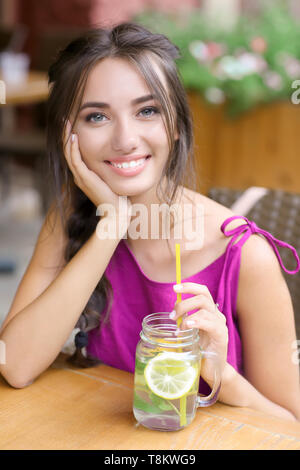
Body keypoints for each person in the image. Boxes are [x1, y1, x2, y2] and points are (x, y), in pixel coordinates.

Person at [0, 23, 299, 421]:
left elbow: (291, 427)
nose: (125, 139)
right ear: (68, 137)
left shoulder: (245, 256)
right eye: (96, 117)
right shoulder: (71, 217)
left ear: (175, 124)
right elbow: (15, 365)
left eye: (147, 111)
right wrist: (110, 229)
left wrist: (219, 373)